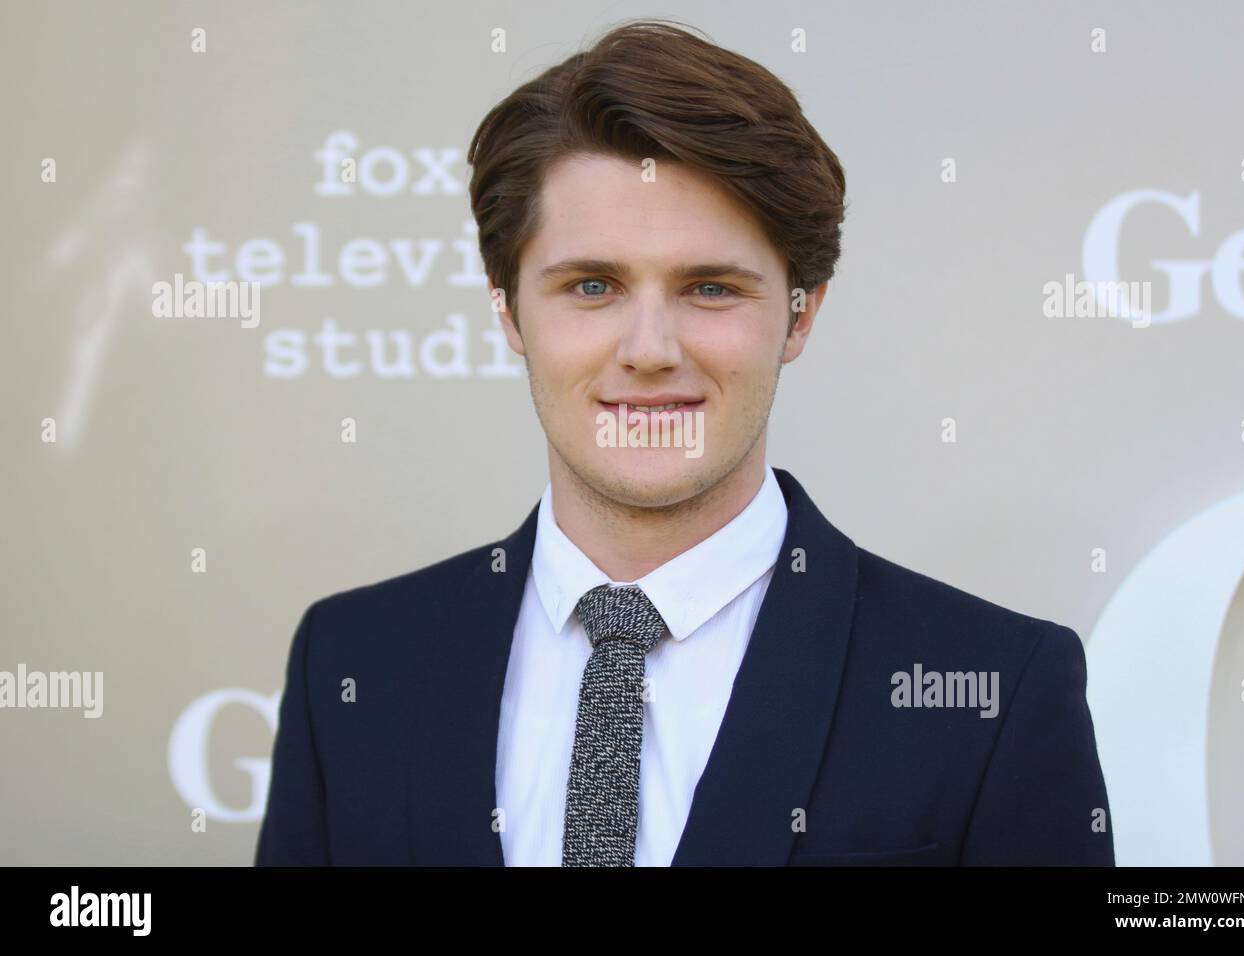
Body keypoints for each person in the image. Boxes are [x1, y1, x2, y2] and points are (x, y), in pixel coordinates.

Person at [255, 18, 1113, 867]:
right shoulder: (353, 664)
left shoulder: (993, 690)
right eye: (592, 285)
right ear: (511, 311)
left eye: (710, 288)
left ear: (800, 314)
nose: (650, 349)